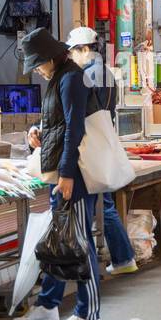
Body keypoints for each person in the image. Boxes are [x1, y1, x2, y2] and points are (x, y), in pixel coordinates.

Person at [12, 27, 104, 320]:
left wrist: (66, 175)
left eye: (38, 62)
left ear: (52, 56)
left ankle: (89, 314)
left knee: (79, 241)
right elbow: (56, 122)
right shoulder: (57, 79)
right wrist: (35, 132)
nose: (36, 69)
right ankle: (48, 305)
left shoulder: (71, 79)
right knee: (60, 238)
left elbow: (74, 129)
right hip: (63, 174)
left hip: (73, 175)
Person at [65, 25, 137, 276]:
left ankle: (124, 258)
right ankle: (123, 257)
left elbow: (83, 115)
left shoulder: (89, 74)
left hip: (94, 146)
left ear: (85, 49)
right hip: (103, 142)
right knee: (105, 203)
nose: (71, 57)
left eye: (74, 51)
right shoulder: (104, 72)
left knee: (104, 205)